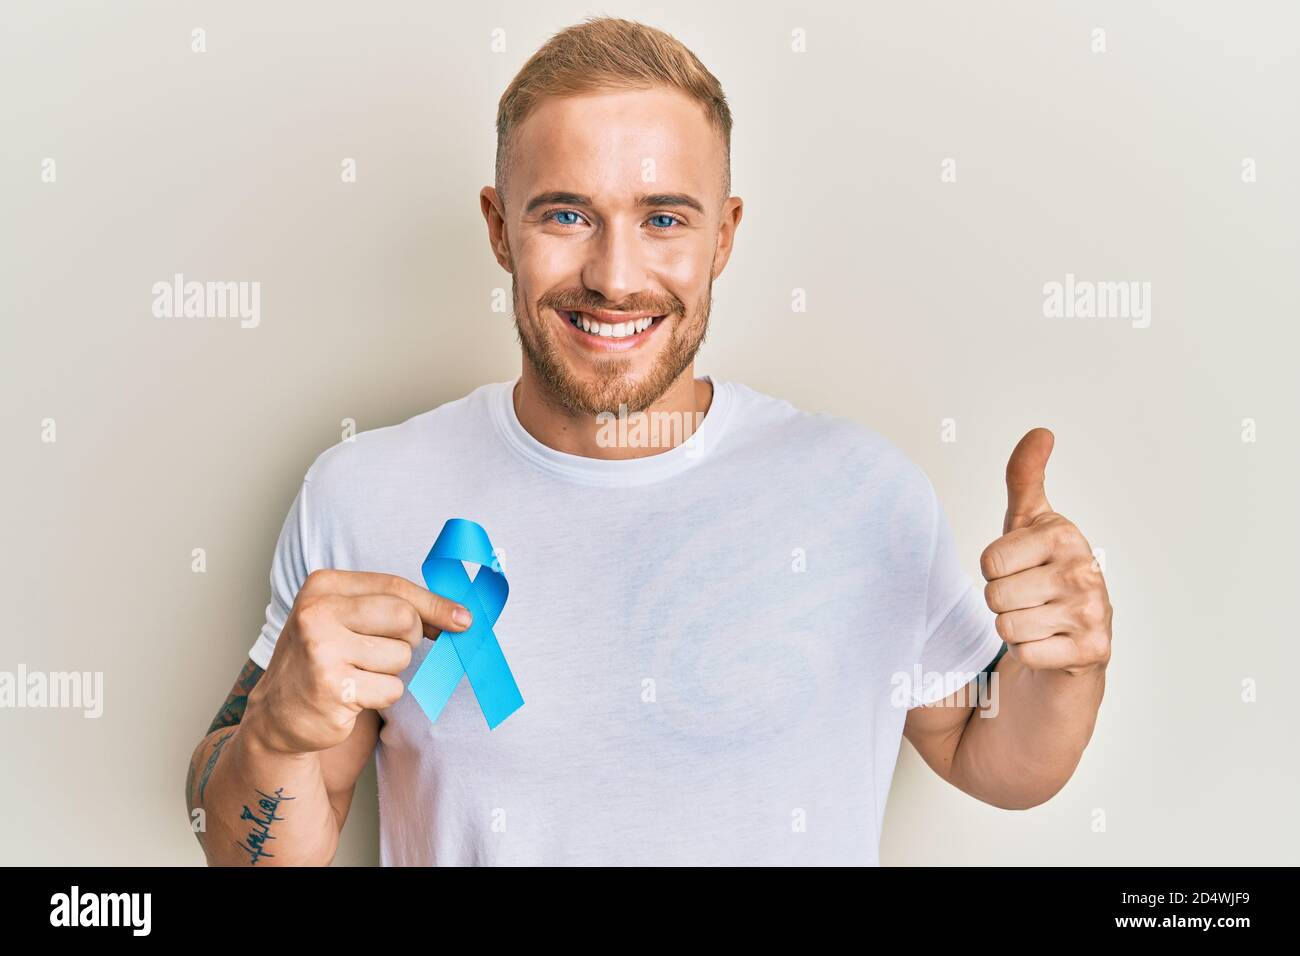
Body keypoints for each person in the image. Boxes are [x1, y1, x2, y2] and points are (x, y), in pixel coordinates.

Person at [184, 16, 1112, 866]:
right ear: (500, 229)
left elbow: (994, 758)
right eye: (565, 214)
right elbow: (249, 856)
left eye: (663, 218)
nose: (614, 276)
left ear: (724, 237)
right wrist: (271, 734)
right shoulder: (366, 492)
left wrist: (1063, 669)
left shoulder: (860, 491)